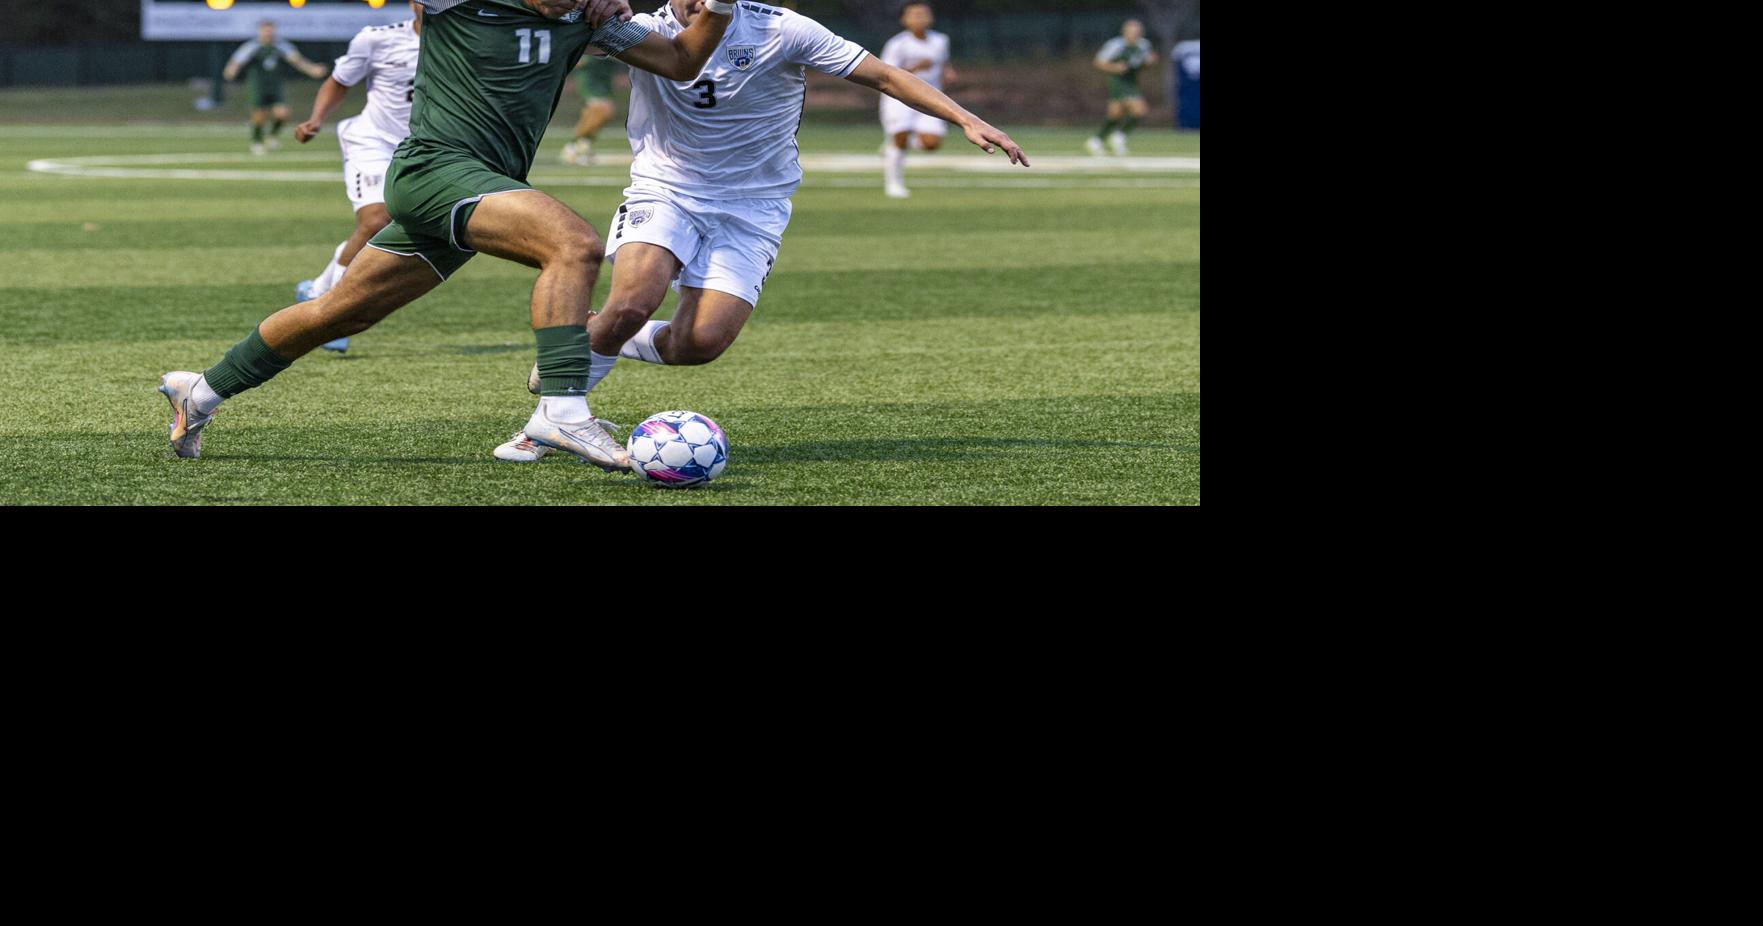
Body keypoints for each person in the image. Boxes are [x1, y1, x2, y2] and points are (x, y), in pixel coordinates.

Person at [158, 0, 736, 470]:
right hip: (432, 169)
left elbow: (683, 61)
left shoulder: (588, 19)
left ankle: (200, 392)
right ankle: (561, 409)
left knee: (338, 313)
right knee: (573, 244)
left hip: (483, 186)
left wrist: (720, 7)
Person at [492, 0, 1027, 465]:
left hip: (754, 206)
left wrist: (965, 119)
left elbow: (884, 75)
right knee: (634, 299)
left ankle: (584, 336)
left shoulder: (781, 28)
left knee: (698, 343)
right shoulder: (636, 28)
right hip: (665, 190)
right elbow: (544, 32)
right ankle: (546, 426)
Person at [291, 1, 425, 354]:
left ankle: (318, 289)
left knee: (411, 227)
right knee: (376, 219)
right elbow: (339, 82)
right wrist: (316, 119)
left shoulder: (466, 41)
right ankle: (332, 312)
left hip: (426, 147)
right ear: (415, 4)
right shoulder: (376, 39)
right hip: (373, 141)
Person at [877, 1, 953, 199]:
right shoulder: (897, 44)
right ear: (904, 19)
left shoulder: (940, 40)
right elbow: (887, 74)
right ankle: (894, 184)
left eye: (924, 14)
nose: (920, 18)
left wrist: (949, 73)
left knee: (931, 144)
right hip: (899, 98)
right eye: (915, 14)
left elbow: (944, 63)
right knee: (900, 139)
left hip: (930, 97)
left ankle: (895, 143)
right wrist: (917, 67)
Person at [223, 20, 330, 156]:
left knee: (282, 113)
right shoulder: (251, 46)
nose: (268, 33)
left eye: (270, 30)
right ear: (260, 31)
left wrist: (312, 69)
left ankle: (272, 136)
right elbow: (236, 61)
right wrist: (230, 71)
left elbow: (297, 60)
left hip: (275, 86)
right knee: (259, 116)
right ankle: (256, 141)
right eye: (265, 30)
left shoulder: (281, 46)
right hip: (257, 86)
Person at [1088, 19, 1155, 157]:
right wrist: (1114, 67)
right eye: (1132, 32)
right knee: (1139, 109)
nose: (1134, 34)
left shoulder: (1143, 45)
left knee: (1115, 115)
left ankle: (1096, 141)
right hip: (1118, 81)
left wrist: (1150, 62)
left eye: (1137, 32)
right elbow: (1098, 62)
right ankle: (1119, 138)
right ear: (1124, 32)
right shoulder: (1115, 45)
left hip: (1132, 82)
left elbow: (1147, 61)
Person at [560, 53, 624, 165]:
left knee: (598, 113)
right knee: (603, 110)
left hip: (602, 81)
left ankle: (582, 146)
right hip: (591, 82)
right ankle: (573, 147)